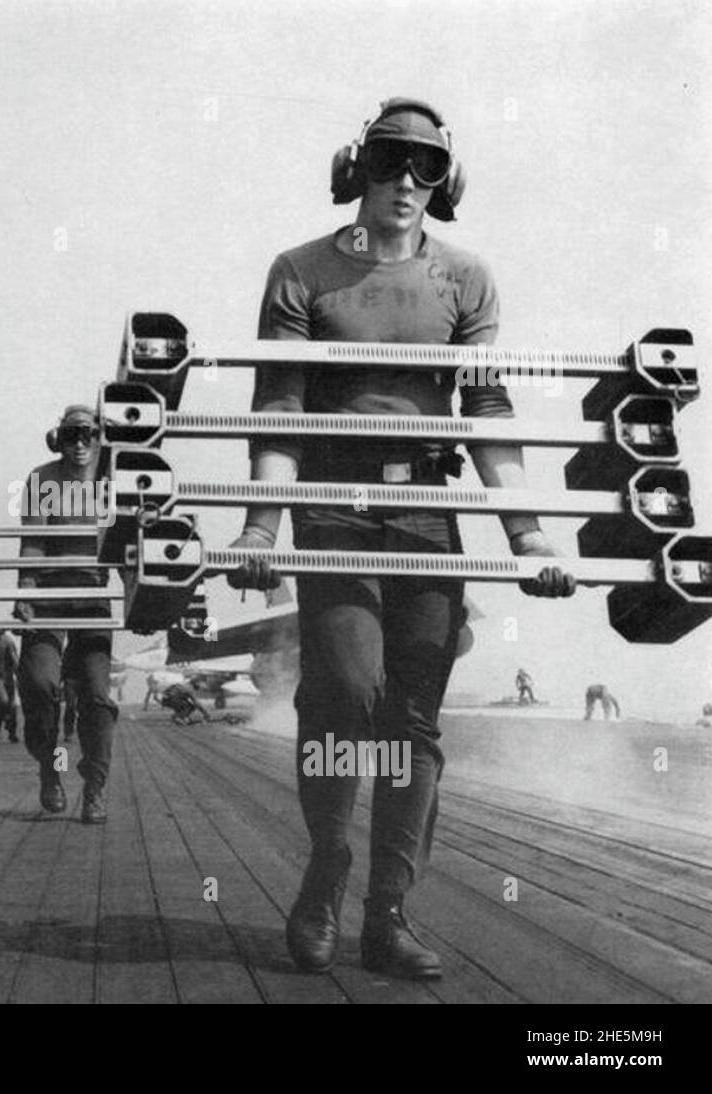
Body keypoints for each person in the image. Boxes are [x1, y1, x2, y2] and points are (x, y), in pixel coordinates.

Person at [226, 98, 576, 980]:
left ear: (446, 180)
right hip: (333, 504)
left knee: (412, 717)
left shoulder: (468, 279)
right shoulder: (299, 269)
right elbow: (280, 403)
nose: (407, 182)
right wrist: (261, 523)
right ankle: (327, 870)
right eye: (391, 160)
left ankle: (387, 913)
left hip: (425, 505)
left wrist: (528, 535)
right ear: (360, 166)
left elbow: (486, 408)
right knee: (346, 690)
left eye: (426, 166)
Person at [15, 404, 118, 824]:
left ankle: (94, 787)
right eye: (72, 435)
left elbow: (132, 540)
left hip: (93, 595)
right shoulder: (42, 478)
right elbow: (34, 540)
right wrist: (25, 588)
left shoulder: (115, 479)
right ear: (59, 438)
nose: (80, 443)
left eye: (89, 435)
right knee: (40, 684)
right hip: (49, 591)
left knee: (94, 695)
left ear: (100, 438)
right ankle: (49, 768)